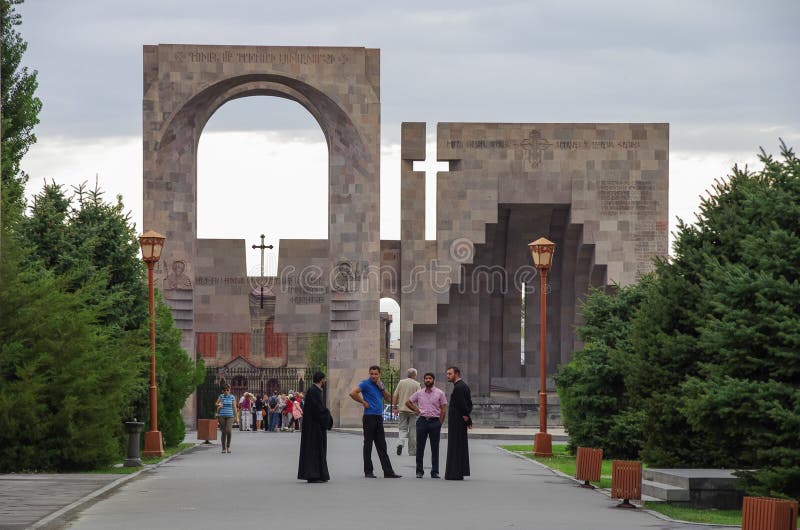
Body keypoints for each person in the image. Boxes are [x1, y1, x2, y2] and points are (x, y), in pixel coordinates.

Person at [348, 365, 402, 478]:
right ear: (369, 374)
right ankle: (368, 471)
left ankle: (388, 472)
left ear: (379, 374)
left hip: (378, 417)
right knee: (368, 444)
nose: (373, 376)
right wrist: (363, 402)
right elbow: (353, 393)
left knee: (382, 445)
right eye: (371, 374)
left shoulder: (381, 385)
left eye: (376, 374)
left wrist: (382, 388)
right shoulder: (364, 383)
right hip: (369, 417)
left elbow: (389, 399)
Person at [406, 372, 447, 479]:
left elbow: (443, 408)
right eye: (426, 378)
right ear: (424, 380)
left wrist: (439, 423)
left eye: (430, 378)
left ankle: (435, 471)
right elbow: (408, 402)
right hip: (422, 421)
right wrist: (416, 410)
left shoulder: (440, 393)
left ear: (433, 380)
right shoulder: (419, 393)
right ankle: (419, 471)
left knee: (435, 448)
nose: (428, 380)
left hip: (434, 421)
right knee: (420, 447)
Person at [297, 371, 333, 483]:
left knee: (317, 449)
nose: (325, 381)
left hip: (315, 426)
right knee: (314, 449)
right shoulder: (314, 391)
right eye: (324, 379)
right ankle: (313, 475)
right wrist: (328, 416)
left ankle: (319, 474)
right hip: (314, 427)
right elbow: (318, 410)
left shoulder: (315, 391)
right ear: (321, 380)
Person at [444, 366, 472, 480]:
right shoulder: (461, 386)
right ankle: (457, 472)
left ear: (457, 374)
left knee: (455, 445)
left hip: (457, 421)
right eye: (447, 374)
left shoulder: (459, 387)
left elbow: (464, 405)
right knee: (458, 445)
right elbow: (469, 404)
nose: (448, 376)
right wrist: (467, 416)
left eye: (450, 374)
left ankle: (454, 473)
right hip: (458, 420)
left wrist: (466, 417)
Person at [392, 368, 421, 456]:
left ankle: (400, 443)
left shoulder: (401, 382)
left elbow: (395, 395)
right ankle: (412, 451)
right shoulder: (417, 384)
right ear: (414, 375)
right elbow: (420, 397)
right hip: (413, 410)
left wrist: (395, 408)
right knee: (413, 431)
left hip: (402, 410)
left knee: (402, 428)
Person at [215, 384, 239, 453]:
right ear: (223, 391)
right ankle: (223, 448)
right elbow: (216, 403)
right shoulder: (221, 396)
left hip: (230, 416)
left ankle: (228, 446)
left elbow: (234, 407)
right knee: (223, 432)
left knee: (228, 430)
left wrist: (237, 417)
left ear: (230, 390)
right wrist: (219, 405)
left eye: (227, 390)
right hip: (221, 416)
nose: (226, 391)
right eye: (225, 390)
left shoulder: (232, 397)